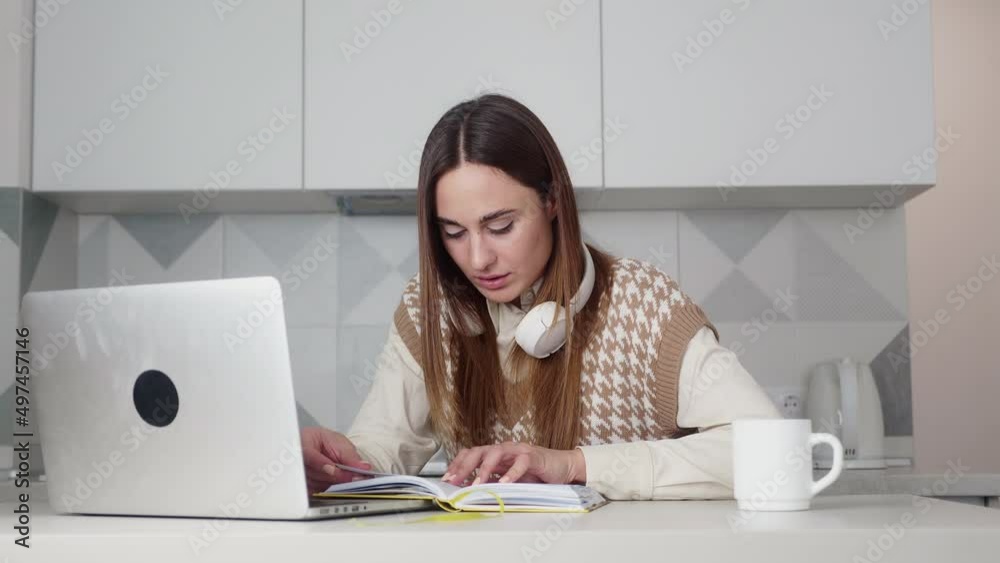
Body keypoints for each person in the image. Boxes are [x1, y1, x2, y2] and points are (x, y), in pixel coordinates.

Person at [301, 94, 781, 500]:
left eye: (500, 226)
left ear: (552, 200)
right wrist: (338, 463)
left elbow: (770, 449)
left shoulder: (644, 306)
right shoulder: (431, 311)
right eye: (453, 232)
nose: (478, 259)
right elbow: (383, 448)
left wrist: (573, 465)